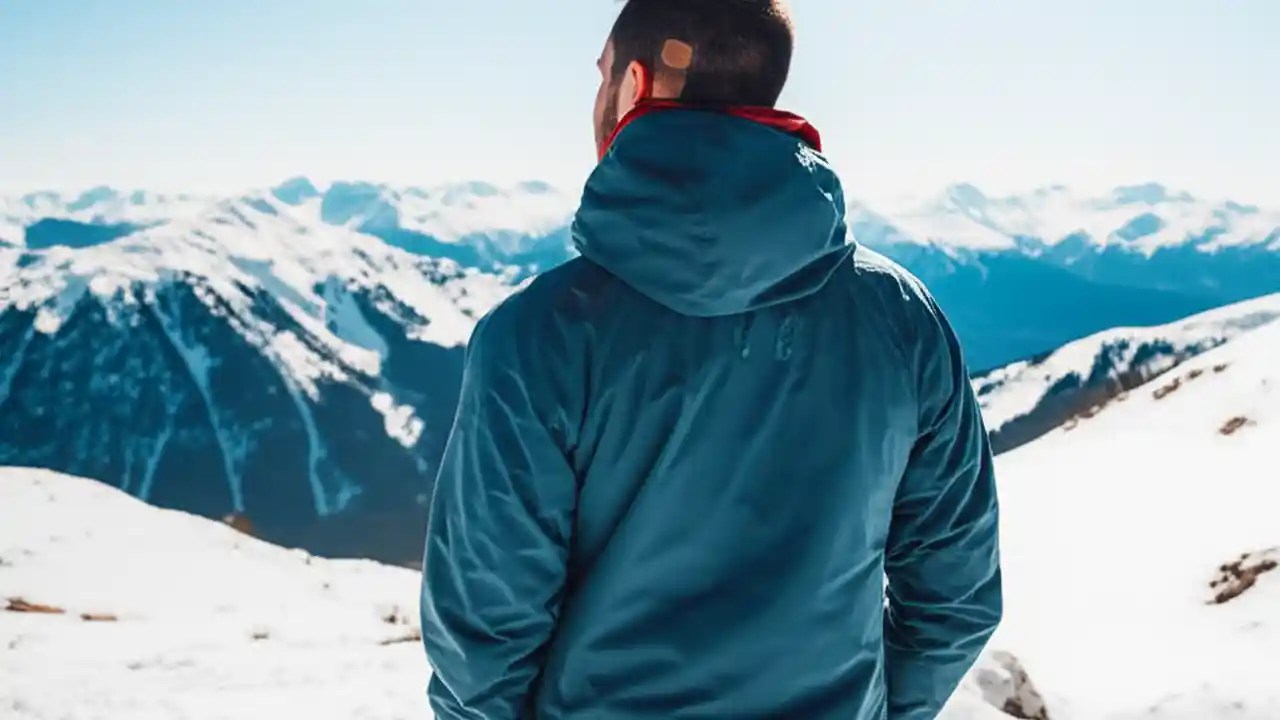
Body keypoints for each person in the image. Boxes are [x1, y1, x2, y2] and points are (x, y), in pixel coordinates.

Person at [420, 1, 1002, 718]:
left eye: (601, 76)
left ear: (635, 85)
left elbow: (483, 637)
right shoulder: (903, 319)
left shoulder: (539, 333)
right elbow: (957, 597)